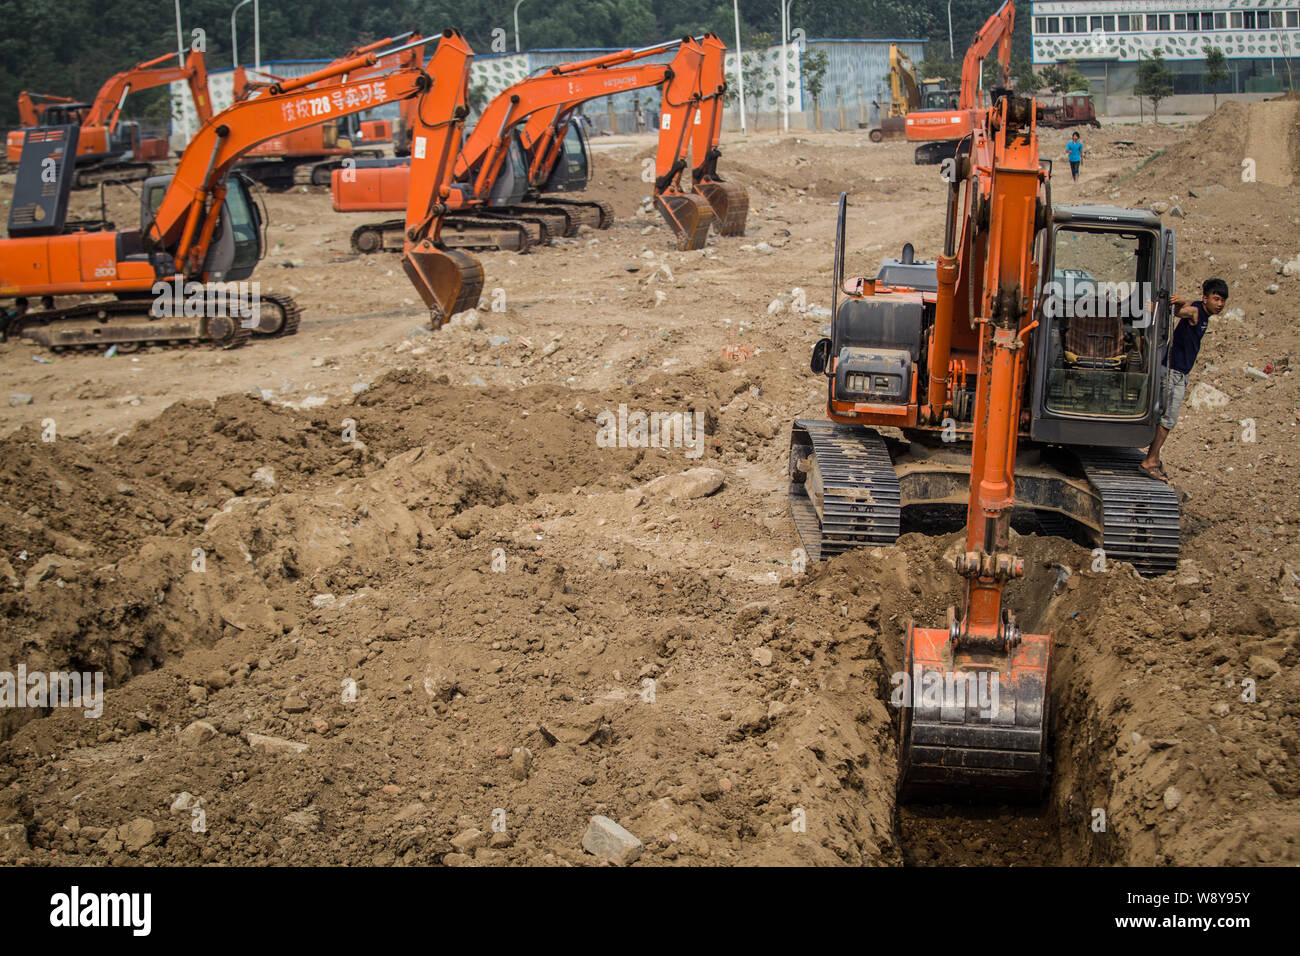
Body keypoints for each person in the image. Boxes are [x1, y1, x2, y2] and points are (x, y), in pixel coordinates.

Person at [1140, 278, 1229, 483]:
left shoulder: (1202, 311)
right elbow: (1183, 312)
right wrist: (1179, 304)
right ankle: (1150, 460)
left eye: (1222, 301)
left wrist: (1183, 302)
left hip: (1177, 373)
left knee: (1163, 417)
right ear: (1205, 298)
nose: (1220, 304)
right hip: (1174, 374)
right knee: (1168, 419)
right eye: (1216, 299)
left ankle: (1154, 456)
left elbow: (1187, 306)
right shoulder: (1197, 312)